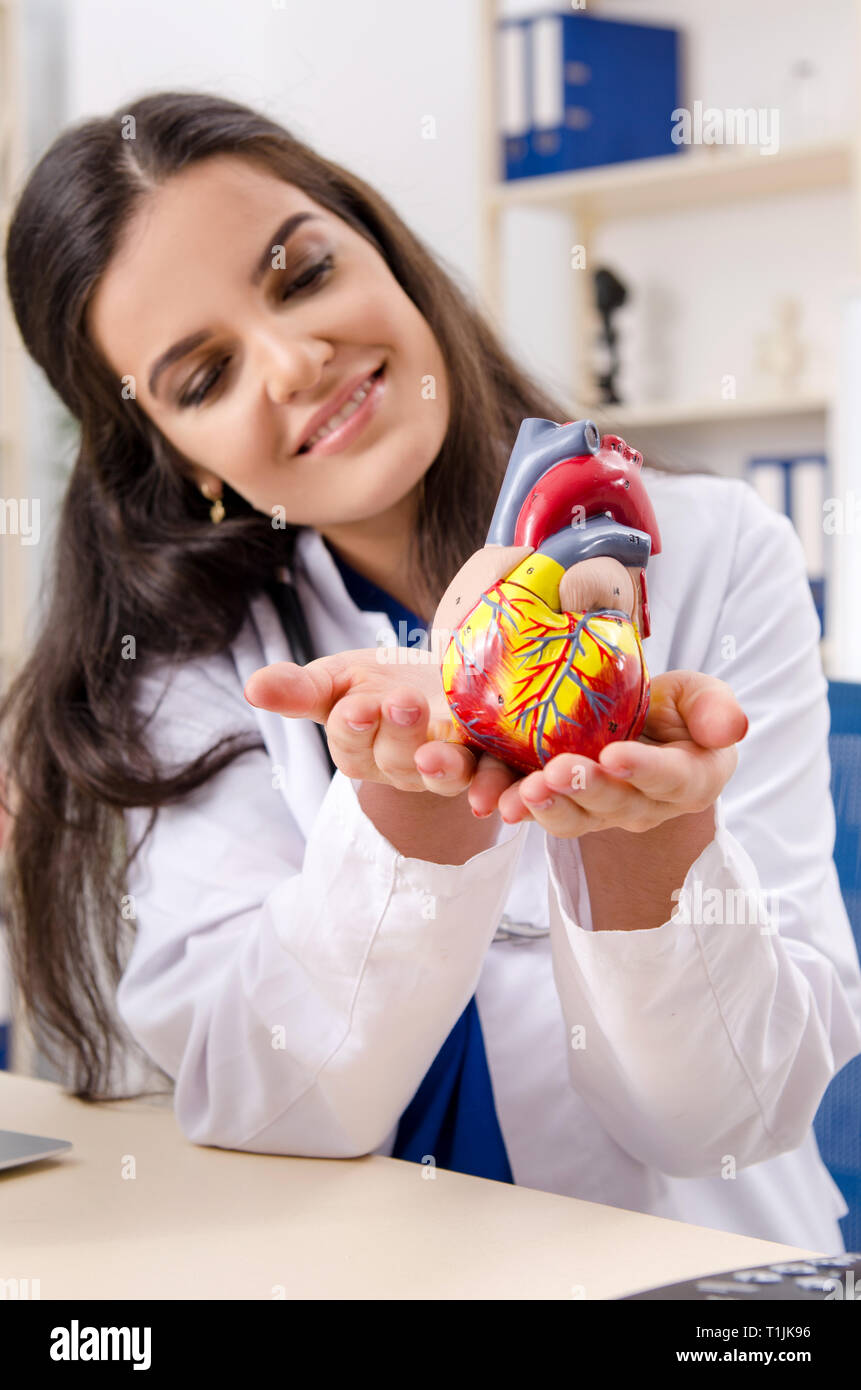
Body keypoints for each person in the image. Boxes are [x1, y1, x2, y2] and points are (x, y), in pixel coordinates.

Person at [2, 90, 859, 1255]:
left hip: (702, 1284)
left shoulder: (709, 554)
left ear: (387, 255)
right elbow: (274, 1107)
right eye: (203, 377)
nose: (295, 361)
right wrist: (404, 820)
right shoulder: (200, 674)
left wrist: (647, 840)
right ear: (181, 458)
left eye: (301, 274)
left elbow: (727, 1122)